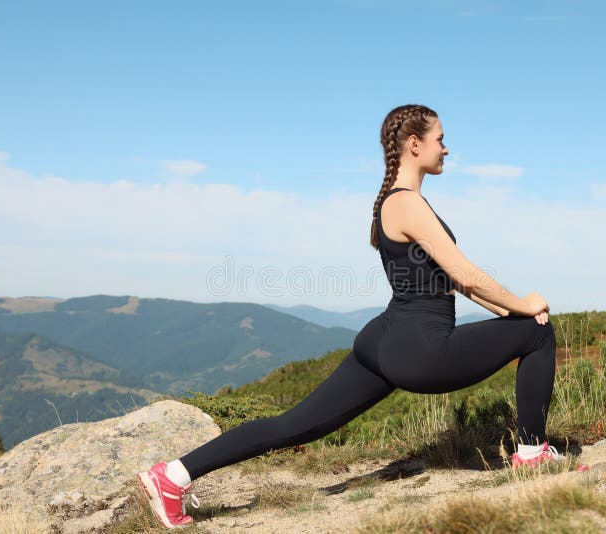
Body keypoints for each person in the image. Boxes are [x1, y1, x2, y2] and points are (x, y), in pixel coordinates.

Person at [137, 104, 581, 529]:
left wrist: (511, 311)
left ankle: (173, 475)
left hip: (383, 339)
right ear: (413, 143)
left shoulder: (391, 201)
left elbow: (458, 283)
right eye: (441, 140)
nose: (446, 149)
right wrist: (525, 307)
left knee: (294, 425)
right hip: (423, 349)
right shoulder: (406, 203)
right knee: (538, 336)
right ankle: (531, 451)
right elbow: (466, 272)